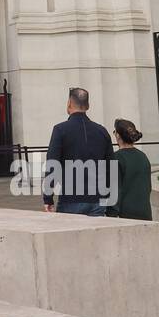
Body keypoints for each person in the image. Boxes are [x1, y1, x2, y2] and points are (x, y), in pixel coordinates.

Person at [42, 87, 115, 216]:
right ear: (88, 105)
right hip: (97, 198)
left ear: (69, 103)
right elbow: (111, 167)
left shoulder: (60, 130)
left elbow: (52, 165)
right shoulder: (102, 131)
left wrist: (48, 198)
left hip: (71, 198)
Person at [105, 119, 152, 221]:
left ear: (117, 135)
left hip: (125, 216)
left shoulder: (116, 158)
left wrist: (111, 215)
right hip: (145, 212)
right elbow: (148, 187)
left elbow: (114, 191)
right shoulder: (143, 156)